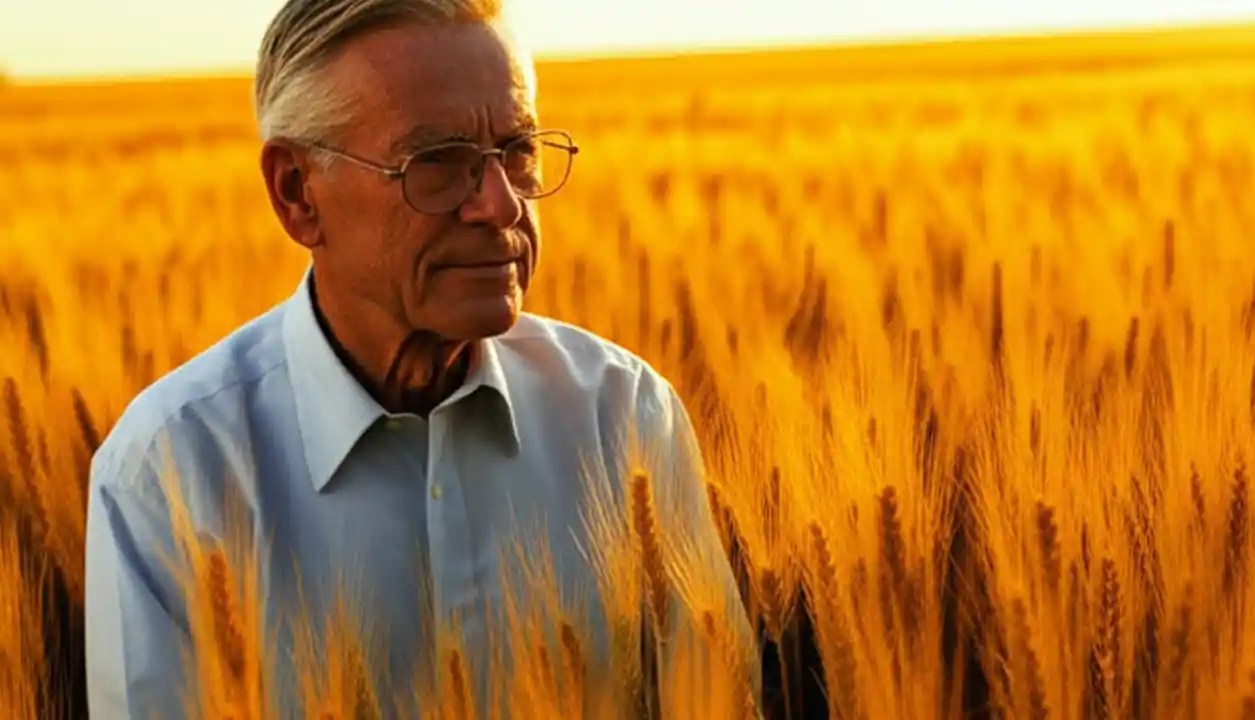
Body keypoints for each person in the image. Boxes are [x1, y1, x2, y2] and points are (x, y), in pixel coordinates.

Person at [84, 0, 755, 716]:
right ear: (297, 193)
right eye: (438, 163)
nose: (501, 205)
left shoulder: (622, 416)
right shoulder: (169, 472)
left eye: (519, 152)